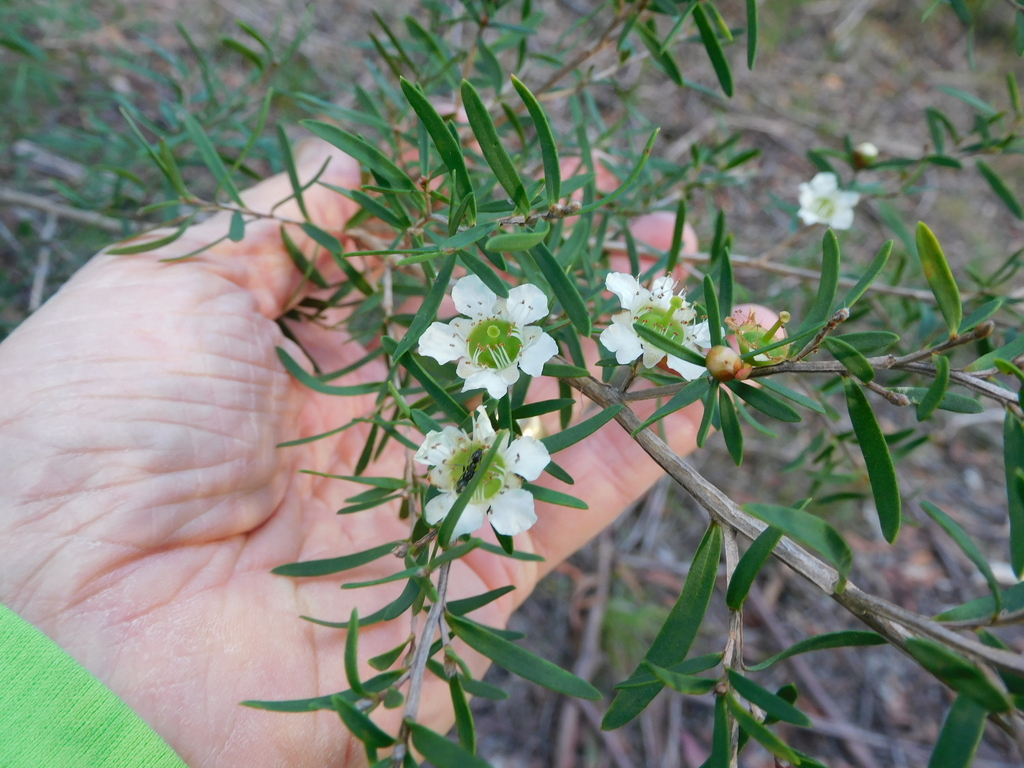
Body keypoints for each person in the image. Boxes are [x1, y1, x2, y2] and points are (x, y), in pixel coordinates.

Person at [0, 141, 705, 767]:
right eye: (491, 339)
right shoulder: (474, 359)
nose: (494, 344)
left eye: (502, 343)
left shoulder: (505, 376)